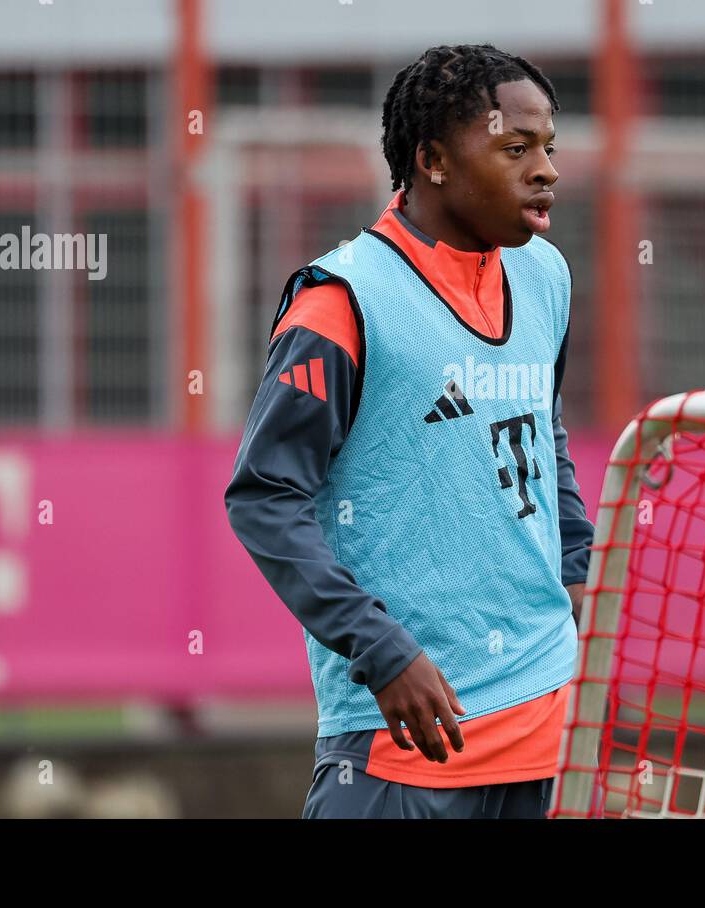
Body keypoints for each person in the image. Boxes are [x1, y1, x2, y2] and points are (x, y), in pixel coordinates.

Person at [225, 43, 594, 818]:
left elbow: (541, 428)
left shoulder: (546, 275)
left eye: (549, 148)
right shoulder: (341, 301)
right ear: (431, 159)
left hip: (552, 729)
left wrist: (578, 569)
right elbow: (264, 498)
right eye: (515, 148)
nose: (547, 170)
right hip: (409, 747)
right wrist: (381, 649)